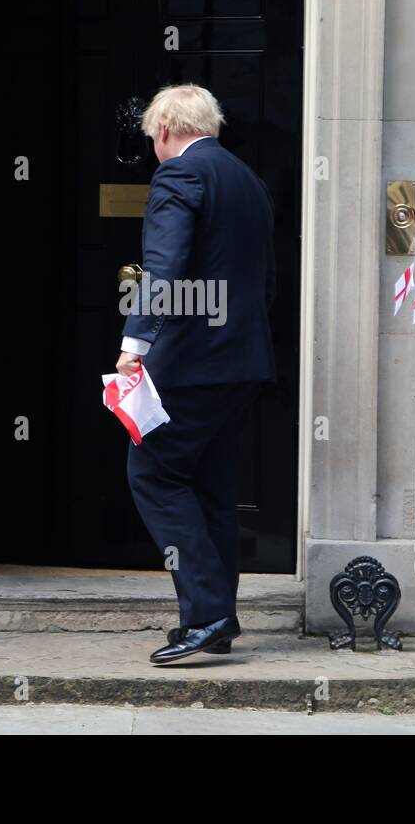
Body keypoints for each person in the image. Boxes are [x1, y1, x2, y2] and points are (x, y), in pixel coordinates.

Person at [115, 83, 276, 665]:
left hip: (191, 363)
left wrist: (135, 343)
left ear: (163, 131)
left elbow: (163, 265)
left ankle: (208, 614)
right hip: (242, 361)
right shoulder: (246, 179)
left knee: (153, 473)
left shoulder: (178, 176)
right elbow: (265, 278)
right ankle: (216, 617)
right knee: (212, 487)